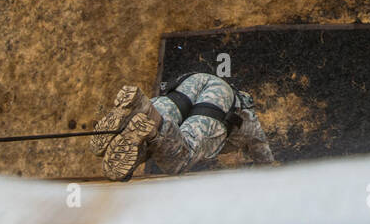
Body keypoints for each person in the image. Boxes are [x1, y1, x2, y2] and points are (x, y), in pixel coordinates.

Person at [89, 77, 274, 181]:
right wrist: (267, 170)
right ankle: (154, 129)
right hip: (220, 100)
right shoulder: (250, 121)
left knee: (164, 110)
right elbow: (264, 158)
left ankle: (143, 109)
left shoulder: (236, 99)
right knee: (182, 155)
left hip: (194, 80)